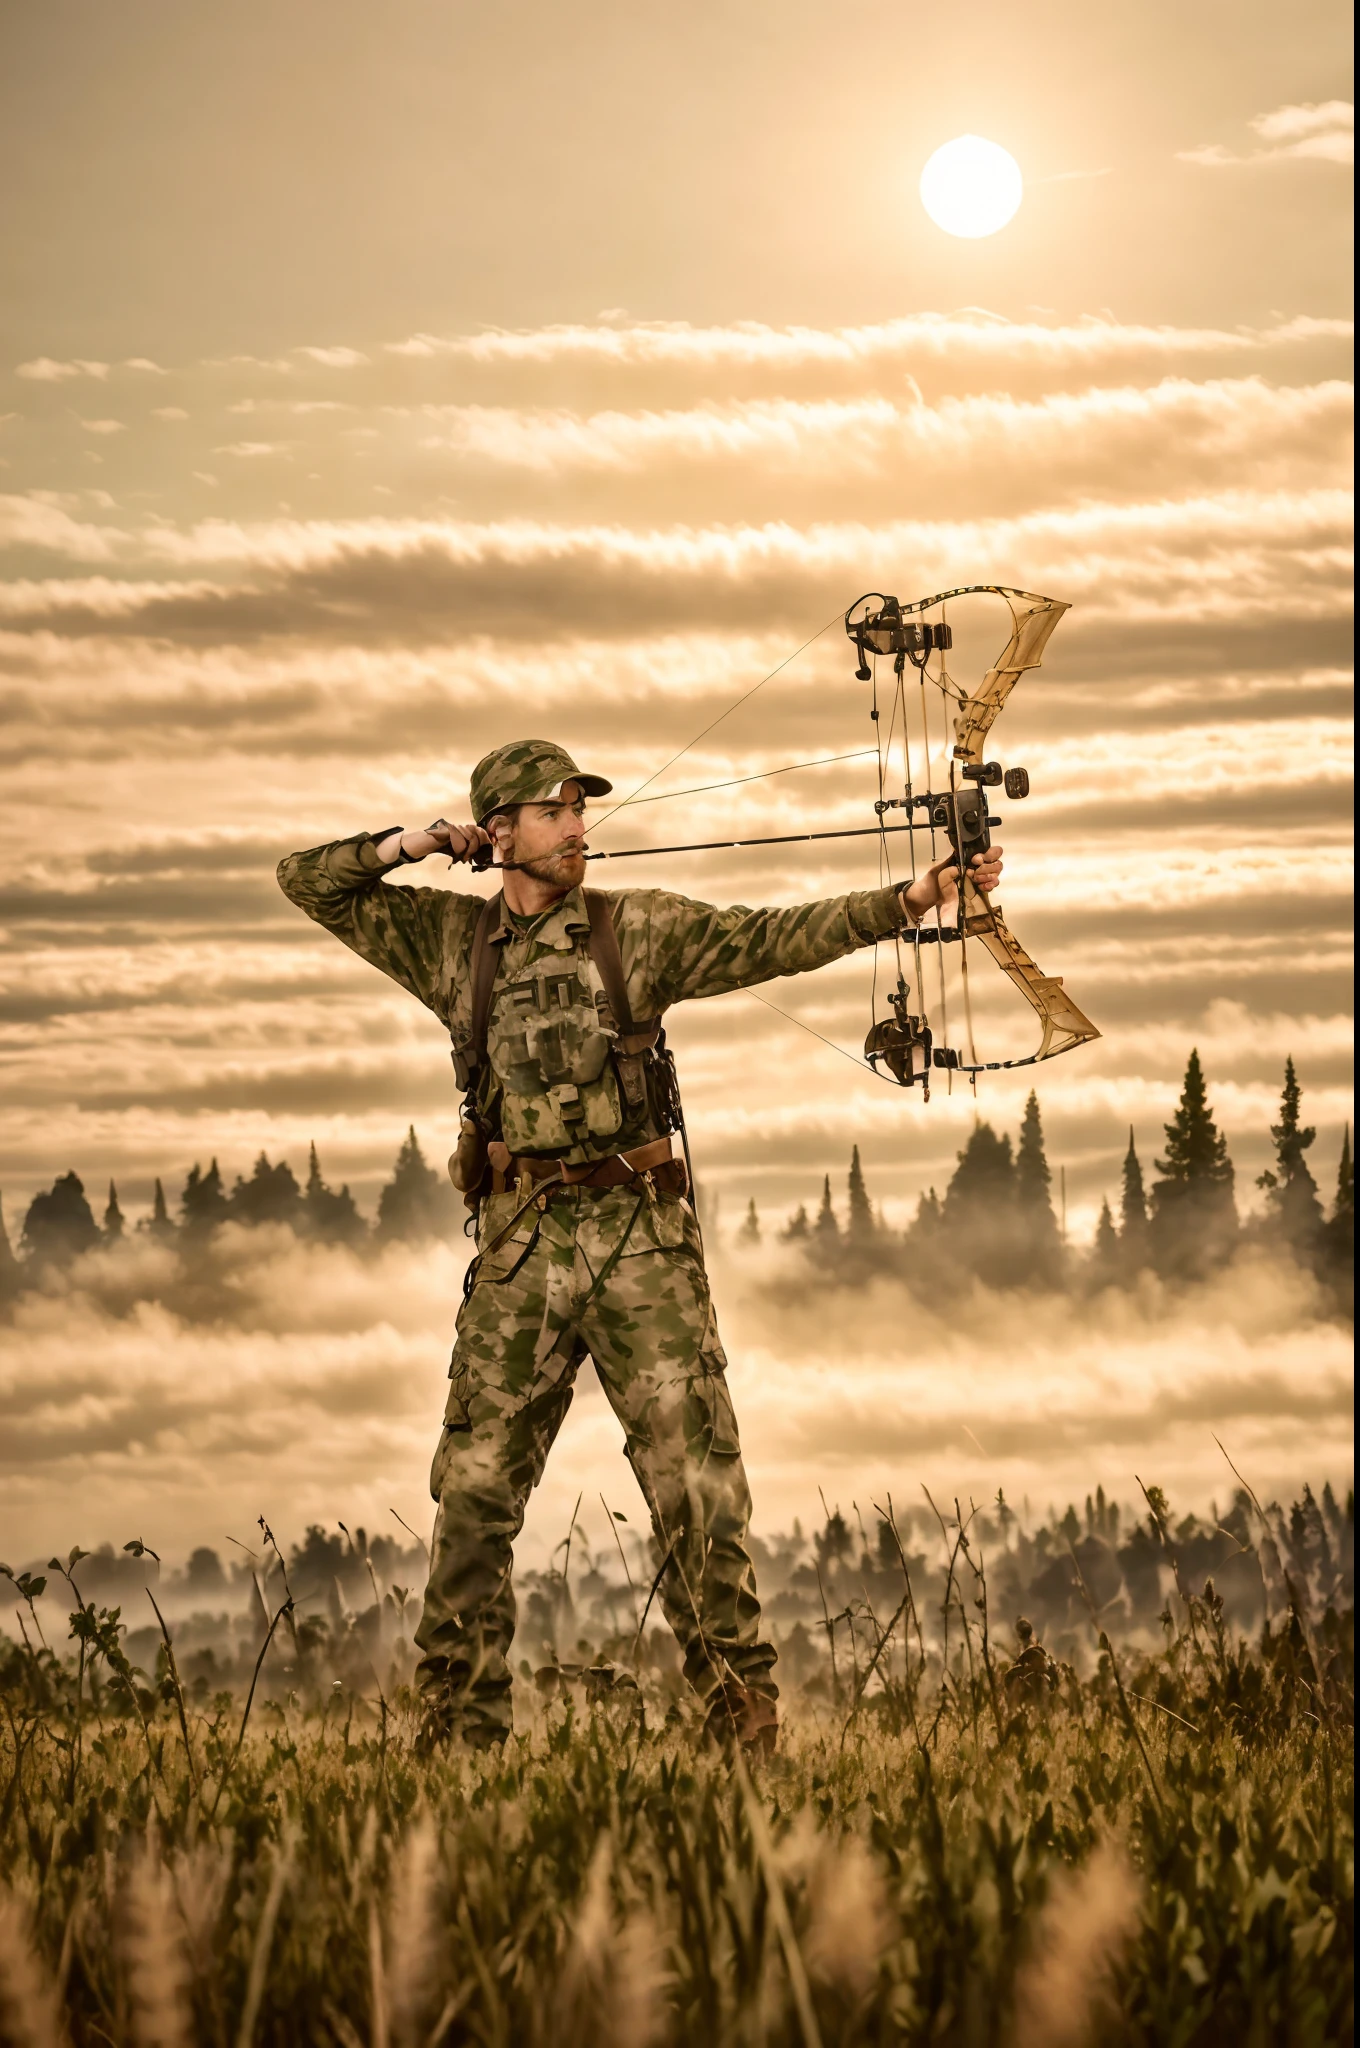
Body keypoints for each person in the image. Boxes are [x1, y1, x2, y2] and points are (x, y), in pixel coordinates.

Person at [277, 739, 1003, 1751]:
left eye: (581, 807)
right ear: (501, 832)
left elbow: (771, 937)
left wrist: (912, 894)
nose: (578, 826)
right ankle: (457, 1733)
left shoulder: (637, 930)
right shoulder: (449, 941)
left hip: (639, 1241)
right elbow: (305, 880)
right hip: (520, 1241)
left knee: (697, 1489)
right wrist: (414, 841)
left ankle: (742, 1727)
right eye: (552, 810)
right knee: (476, 1490)